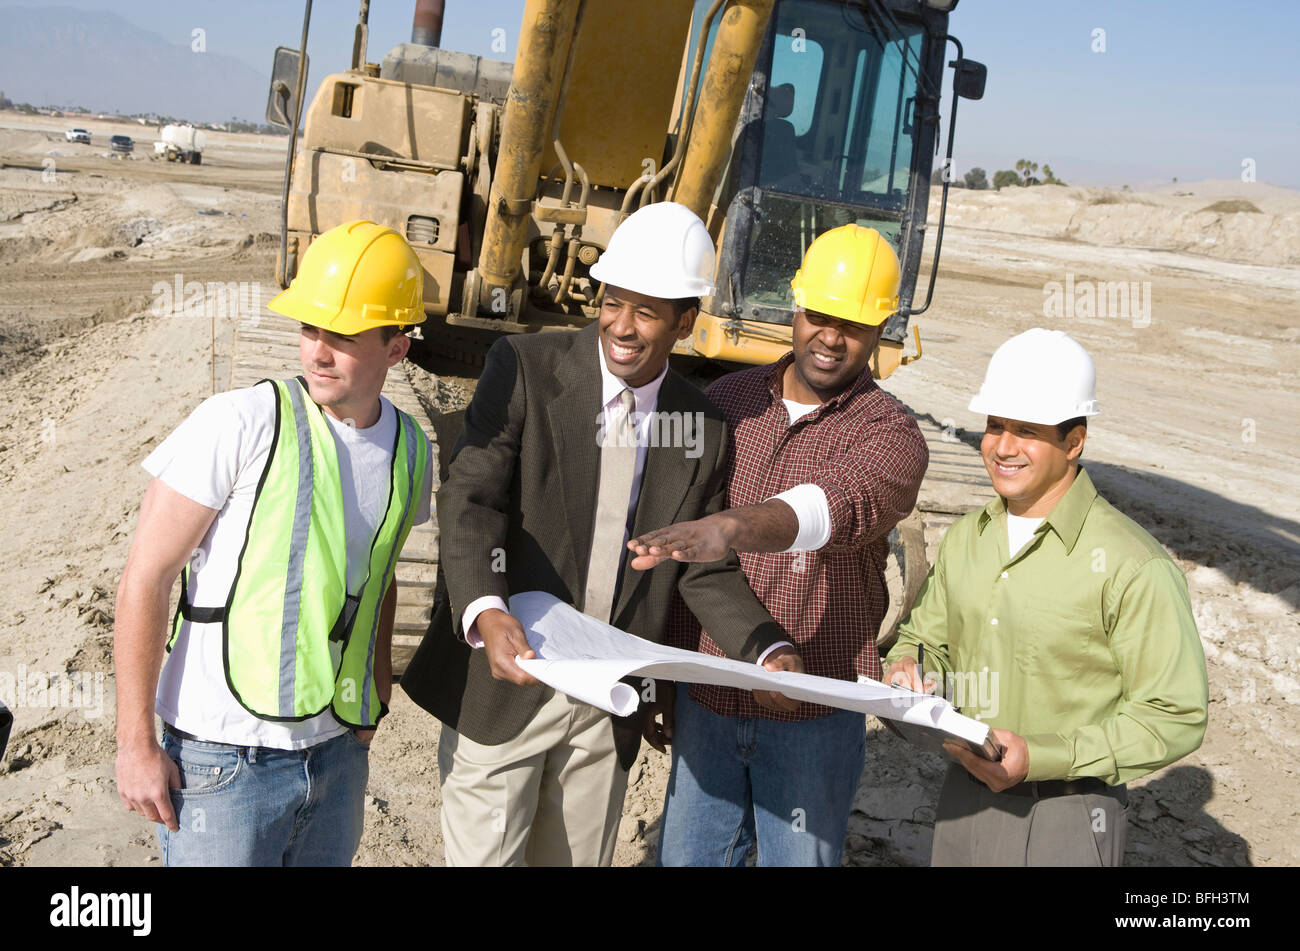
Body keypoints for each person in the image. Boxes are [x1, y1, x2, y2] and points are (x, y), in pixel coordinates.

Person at [399, 201, 794, 867]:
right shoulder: (525, 366)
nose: (623, 325)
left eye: (647, 311)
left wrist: (765, 648)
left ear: (686, 321)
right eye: (614, 301)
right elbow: (470, 498)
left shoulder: (701, 424)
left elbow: (699, 568)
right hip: (511, 681)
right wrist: (486, 610)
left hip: (609, 704)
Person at [113, 220, 434, 866]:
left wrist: (373, 692)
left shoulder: (410, 448)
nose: (316, 351)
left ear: (396, 349)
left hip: (336, 756)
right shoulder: (240, 422)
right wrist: (134, 744)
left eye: (341, 337)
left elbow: (381, 570)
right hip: (223, 762)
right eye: (309, 329)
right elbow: (145, 577)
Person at [627, 224, 929, 866]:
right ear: (795, 308)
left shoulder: (892, 436)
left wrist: (732, 526)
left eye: (852, 324)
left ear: (881, 331)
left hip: (812, 716)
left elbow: (836, 509)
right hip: (707, 705)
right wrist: (663, 679)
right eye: (819, 315)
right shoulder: (725, 402)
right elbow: (680, 562)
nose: (830, 336)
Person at [882, 328, 1208, 866]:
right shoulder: (967, 539)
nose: (1002, 448)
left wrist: (1045, 756)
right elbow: (925, 638)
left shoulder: (1133, 565)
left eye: (1026, 431)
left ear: (1074, 441)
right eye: (994, 426)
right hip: (963, 797)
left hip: (1069, 814)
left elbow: (1174, 714)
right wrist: (908, 667)